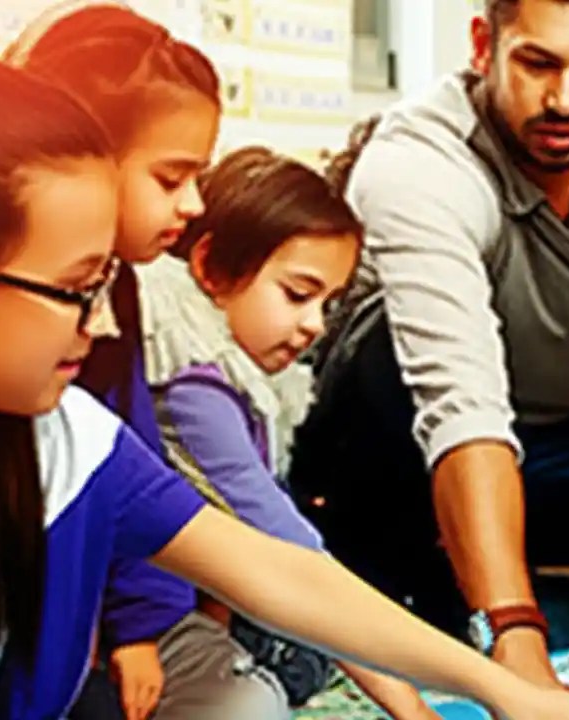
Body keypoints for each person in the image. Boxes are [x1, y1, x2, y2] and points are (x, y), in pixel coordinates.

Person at [0, 40, 569, 720]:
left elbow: (282, 575)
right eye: (75, 290)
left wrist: (508, 692)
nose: (99, 327)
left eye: (107, 286)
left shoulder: (72, 443)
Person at [286, 0, 569, 688]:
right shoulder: (418, 162)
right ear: (484, 46)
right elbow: (460, 407)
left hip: (539, 445)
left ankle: (477, 574)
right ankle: (403, 590)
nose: (566, 99)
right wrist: (516, 641)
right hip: (390, 452)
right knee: (390, 350)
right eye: (537, 63)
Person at [3, 6, 290, 718]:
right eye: (171, 178)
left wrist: (137, 628)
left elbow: (132, 476)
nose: (194, 203)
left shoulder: (121, 298)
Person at [137, 144, 439, 719]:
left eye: (328, 304)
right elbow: (281, 542)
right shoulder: (189, 383)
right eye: (298, 295)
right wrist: (413, 708)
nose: (313, 326)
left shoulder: (242, 379)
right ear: (209, 267)